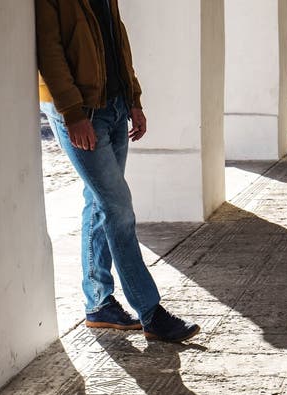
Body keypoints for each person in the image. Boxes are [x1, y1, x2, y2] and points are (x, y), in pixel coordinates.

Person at [35, 0, 200, 342]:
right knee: (118, 208)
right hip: (82, 112)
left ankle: (98, 303)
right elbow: (49, 53)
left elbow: (118, 43)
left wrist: (134, 100)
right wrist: (73, 114)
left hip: (114, 106)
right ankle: (151, 312)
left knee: (99, 203)